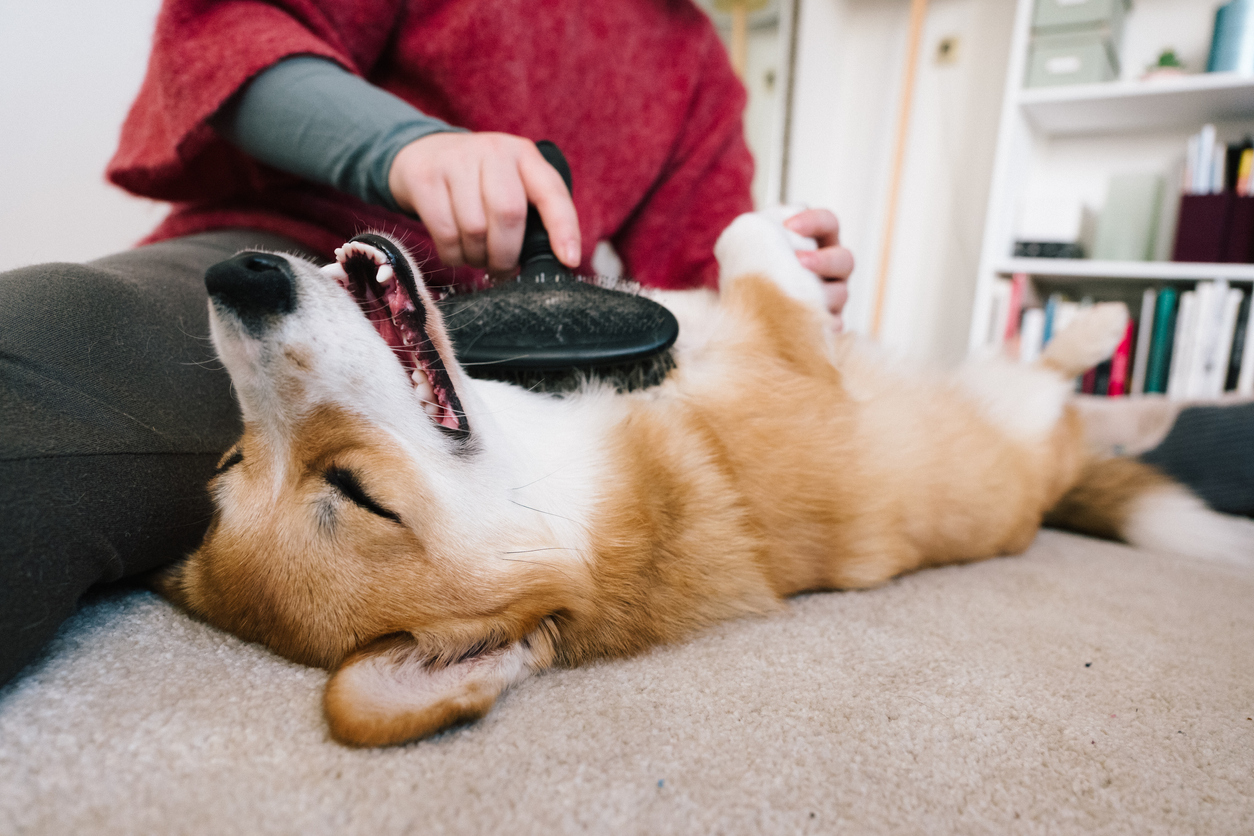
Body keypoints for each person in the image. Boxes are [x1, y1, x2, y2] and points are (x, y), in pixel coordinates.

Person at [0, 0, 853, 687]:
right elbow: (223, 33)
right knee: (37, 365)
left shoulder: (694, 61)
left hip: (527, 361)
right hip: (288, 248)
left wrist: (792, 278)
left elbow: (690, 278)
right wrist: (404, 150)